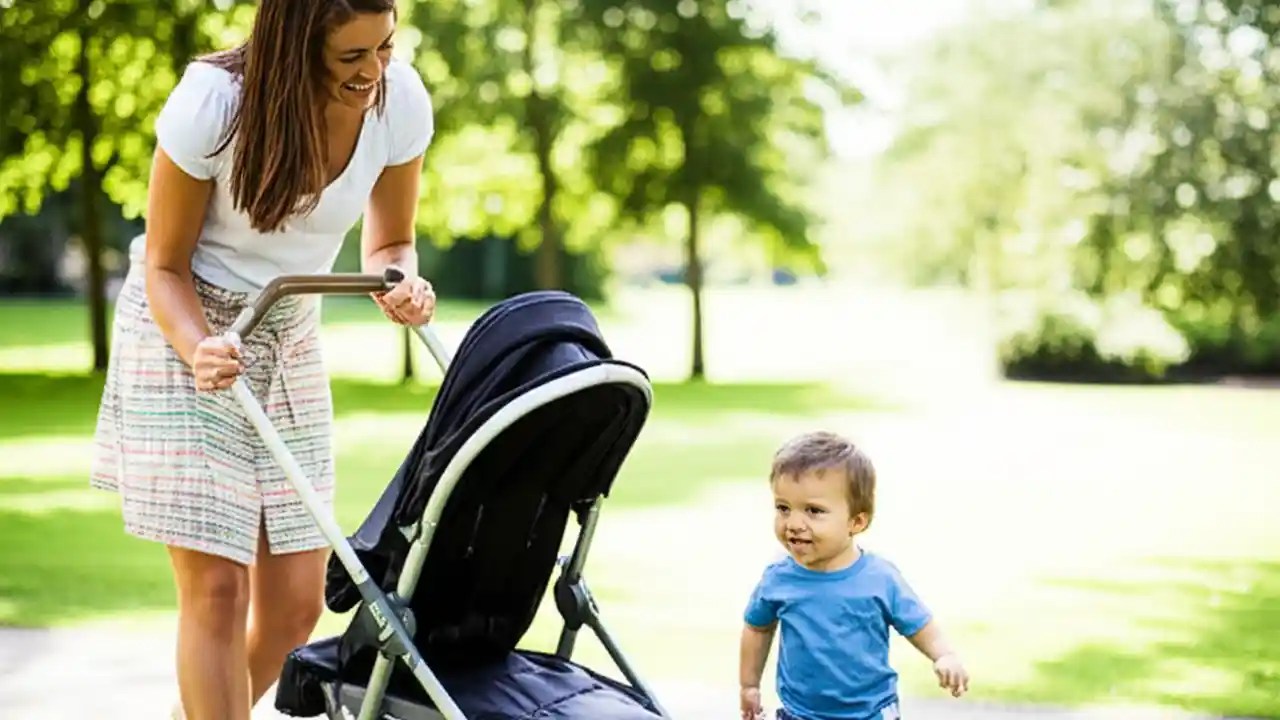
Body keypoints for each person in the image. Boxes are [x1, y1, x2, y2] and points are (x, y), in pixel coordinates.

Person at [88, 1, 438, 718]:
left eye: (384, 47)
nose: (373, 71)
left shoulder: (398, 99)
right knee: (217, 591)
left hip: (289, 328)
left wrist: (400, 282)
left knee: (294, 610)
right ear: (294, 46)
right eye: (351, 57)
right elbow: (163, 265)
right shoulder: (213, 106)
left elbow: (389, 245)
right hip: (184, 331)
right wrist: (199, 348)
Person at [738, 431, 970, 720]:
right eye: (783, 508)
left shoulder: (879, 578)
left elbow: (919, 623)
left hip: (870, 713)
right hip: (800, 714)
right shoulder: (778, 578)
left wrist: (944, 655)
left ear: (856, 521)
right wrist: (749, 685)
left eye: (813, 510)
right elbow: (757, 628)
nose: (794, 523)